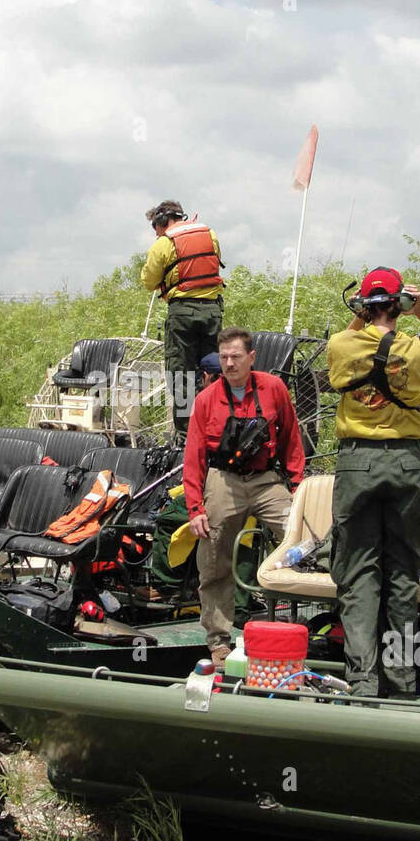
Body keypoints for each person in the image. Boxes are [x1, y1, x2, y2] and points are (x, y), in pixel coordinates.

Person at [326, 268, 420, 697]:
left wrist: (362, 313)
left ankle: (362, 681)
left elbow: (347, 340)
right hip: (406, 462)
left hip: (357, 463)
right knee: (403, 572)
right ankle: (402, 680)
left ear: (363, 307)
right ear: (399, 305)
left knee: (357, 572)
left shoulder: (342, 344)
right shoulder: (417, 351)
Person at [184, 327, 306, 665]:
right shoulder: (206, 399)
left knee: (301, 533)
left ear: (251, 357)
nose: (229, 363)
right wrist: (195, 508)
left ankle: (307, 615)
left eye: (236, 356)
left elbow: (292, 438)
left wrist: (297, 486)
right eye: (224, 357)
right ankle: (218, 640)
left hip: (265, 479)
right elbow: (194, 457)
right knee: (214, 552)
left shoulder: (274, 388)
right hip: (224, 480)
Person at [141, 200, 224, 435]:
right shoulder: (210, 235)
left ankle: (188, 435)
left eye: (155, 227)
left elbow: (148, 281)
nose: (156, 233)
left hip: (182, 314)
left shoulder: (164, 244)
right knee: (213, 370)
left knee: (181, 375)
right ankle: (217, 426)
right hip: (212, 312)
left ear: (162, 221)